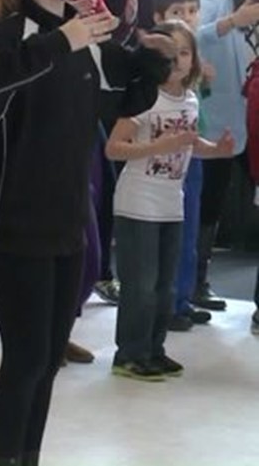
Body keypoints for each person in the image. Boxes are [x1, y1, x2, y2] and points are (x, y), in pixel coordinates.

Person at [0, 0, 172, 466]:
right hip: (12, 225)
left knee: (47, 360)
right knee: (24, 360)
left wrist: (147, 53)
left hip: (67, 221)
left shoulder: (87, 35)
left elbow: (128, 98)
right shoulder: (12, 38)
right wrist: (64, 40)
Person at [106, 19, 233, 381]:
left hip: (170, 206)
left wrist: (217, 151)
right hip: (137, 204)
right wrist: (158, 146)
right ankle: (129, 354)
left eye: (183, 52)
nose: (176, 60)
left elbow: (191, 146)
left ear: (193, 60)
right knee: (141, 285)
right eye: (168, 53)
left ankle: (153, 349)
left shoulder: (191, 100)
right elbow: (114, 148)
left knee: (165, 285)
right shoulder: (144, 100)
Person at [193, 0, 259, 324]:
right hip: (220, 118)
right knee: (209, 203)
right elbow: (187, 37)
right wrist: (234, 20)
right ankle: (197, 281)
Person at [150, 0, 216, 331]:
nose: (187, 18)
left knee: (188, 231)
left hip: (192, 155)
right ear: (159, 17)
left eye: (192, 11)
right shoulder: (155, 65)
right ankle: (168, 303)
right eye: (178, 12)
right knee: (171, 235)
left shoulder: (193, 61)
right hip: (163, 163)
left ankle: (182, 298)